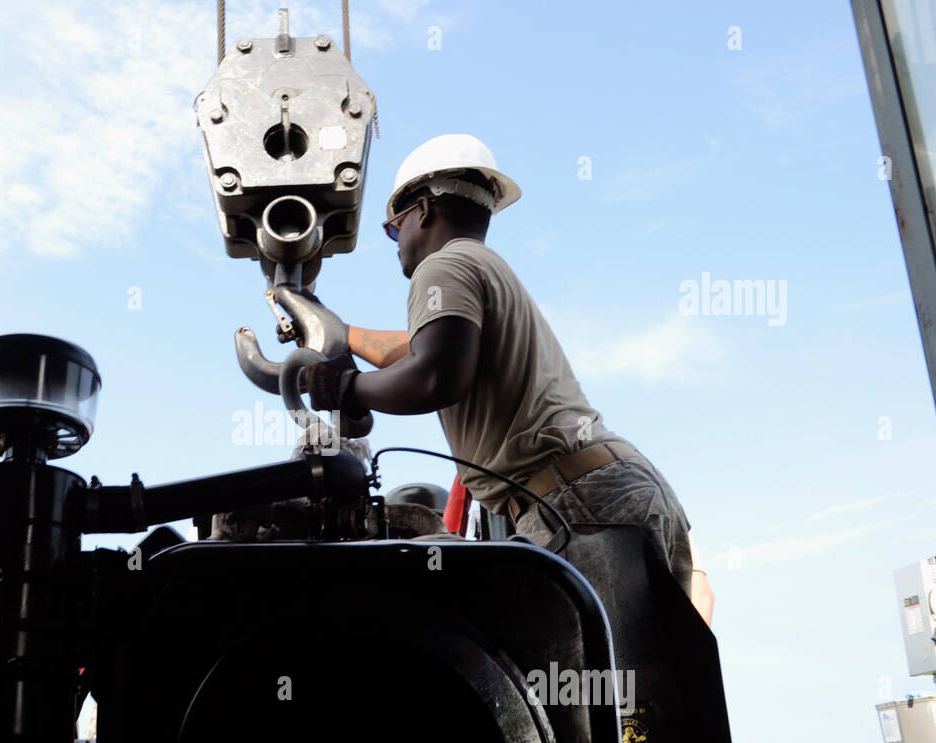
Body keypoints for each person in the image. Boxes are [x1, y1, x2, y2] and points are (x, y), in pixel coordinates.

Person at [275, 133, 709, 612]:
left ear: (422, 210)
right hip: (617, 489)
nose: (397, 244)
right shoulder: (483, 267)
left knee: (590, 684)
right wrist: (335, 330)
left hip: (576, 504)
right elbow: (419, 351)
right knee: (642, 681)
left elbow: (435, 376)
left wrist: (345, 388)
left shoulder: (443, 266)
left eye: (394, 229)